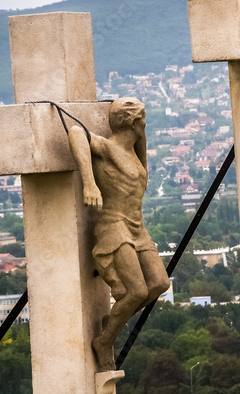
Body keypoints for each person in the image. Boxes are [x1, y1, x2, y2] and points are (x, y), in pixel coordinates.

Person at [68, 97, 170, 372]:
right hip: (114, 225)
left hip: (137, 227)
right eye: (142, 120)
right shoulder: (108, 149)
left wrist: (141, 142)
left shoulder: (135, 155)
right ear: (133, 122)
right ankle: (104, 341)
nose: (145, 125)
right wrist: (89, 182)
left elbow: (143, 160)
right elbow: (76, 133)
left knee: (160, 283)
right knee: (136, 291)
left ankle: (113, 322)